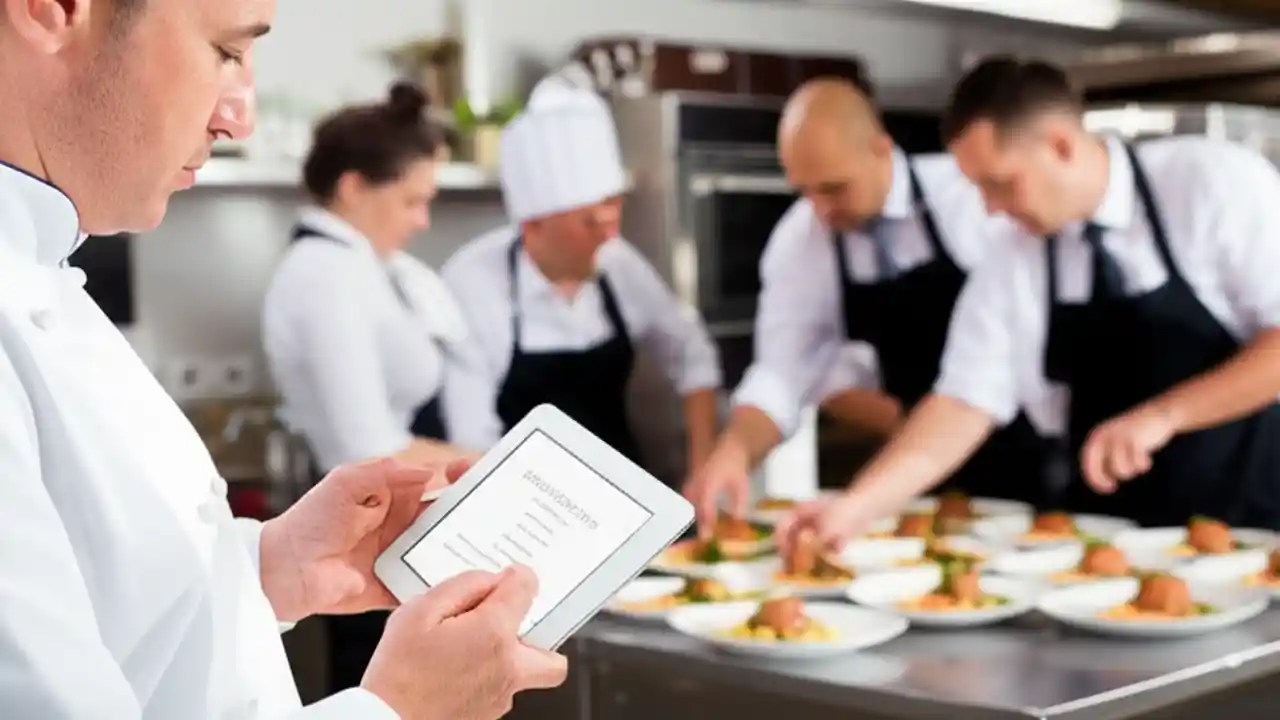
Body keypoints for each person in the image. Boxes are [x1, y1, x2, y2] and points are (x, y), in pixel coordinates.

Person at [0, 0, 564, 717]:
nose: (240, 119)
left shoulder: (40, 268)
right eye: (226, 52)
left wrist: (268, 567)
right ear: (53, 9)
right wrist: (399, 710)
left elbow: (112, 616)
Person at [783, 57, 1280, 551]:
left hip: (1252, 529)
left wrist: (1164, 416)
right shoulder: (1016, 253)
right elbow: (962, 401)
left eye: (999, 183)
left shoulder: (1210, 183)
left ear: (1061, 145)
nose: (989, 208)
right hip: (1114, 541)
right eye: (978, 189)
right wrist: (855, 507)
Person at [684, 77, 1045, 531]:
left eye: (834, 188)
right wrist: (735, 450)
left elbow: (992, 372)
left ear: (881, 149)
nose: (820, 208)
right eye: (805, 191)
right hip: (908, 467)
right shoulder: (802, 238)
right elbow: (782, 371)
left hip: (1020, 453)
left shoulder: (969, 197)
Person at [262, 81, 477, 693]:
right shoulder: (323, 278)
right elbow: (367, 449)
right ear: (353, 187)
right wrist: (498, 465)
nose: (422, 221)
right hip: (368, 539)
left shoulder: (363, 269)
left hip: (394, 530)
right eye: (411, 201)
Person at [442, 79, 722, 481]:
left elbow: (691, 354)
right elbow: (472, 442)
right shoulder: (474, 282)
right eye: (590, 222)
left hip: (624, 490)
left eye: (614, 211)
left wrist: (703, 466)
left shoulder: (617, 261)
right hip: (521, 494)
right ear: (533, 225)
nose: (609, 235)